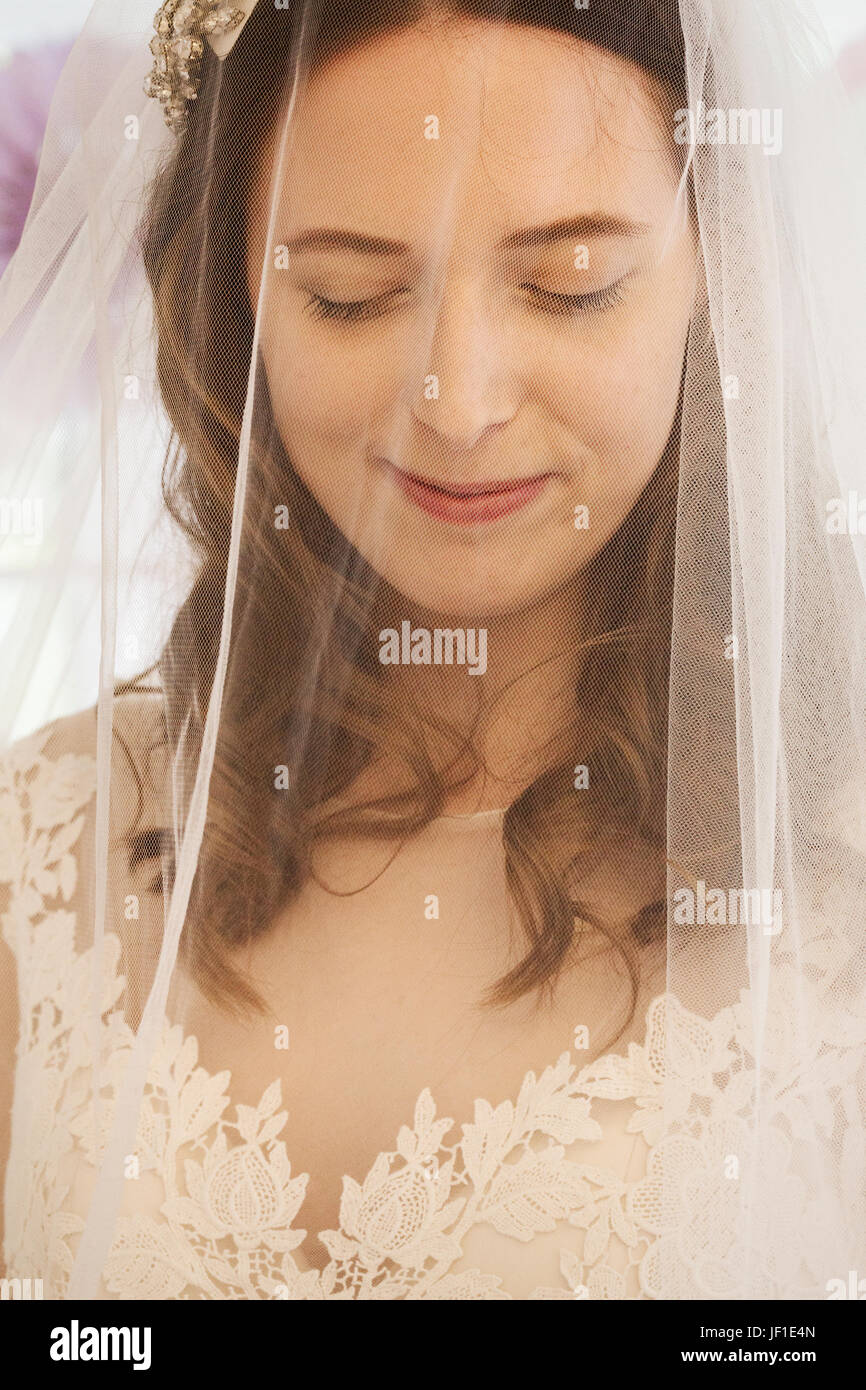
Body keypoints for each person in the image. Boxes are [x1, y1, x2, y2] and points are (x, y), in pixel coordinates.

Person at [0, 0, 864, 1301]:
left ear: (719, 280)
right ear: (234, 305)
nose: (456, 404)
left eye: (569, 282)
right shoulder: (40, 848)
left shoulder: (835, 872)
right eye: (348, 297)